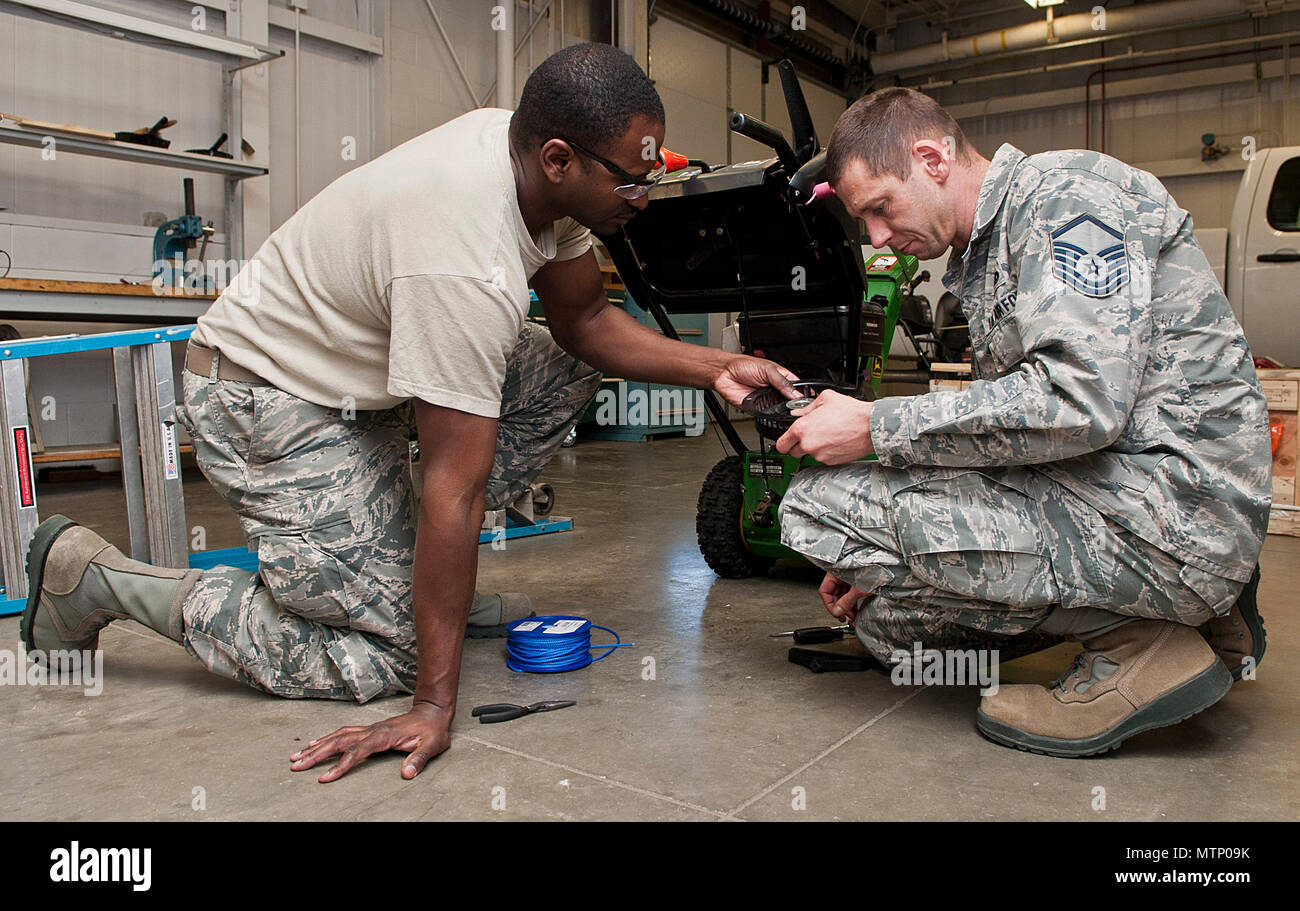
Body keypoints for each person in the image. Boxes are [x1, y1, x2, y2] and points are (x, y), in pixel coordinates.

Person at [20, 43, 796, 782]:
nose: (644, 197)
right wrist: (433, 702)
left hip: (360, 382)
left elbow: (585, 323)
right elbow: (452, 491)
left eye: (650, 173)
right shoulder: (465, 262)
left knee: (561, 371)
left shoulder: (531, 165)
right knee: (387, 657)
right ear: (559, 159)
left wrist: (719, 365)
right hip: (264, 397)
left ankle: (397, 573)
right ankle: (97, 579)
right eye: (632, 180)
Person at [775, 87, 1271, 757]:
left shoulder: (1067, 199)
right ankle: (1196, 616)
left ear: (932, 158)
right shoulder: (990, 249)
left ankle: (1142, 643)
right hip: (1125, 499)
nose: (879, 238)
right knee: (891, 626)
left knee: (814, 507)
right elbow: (1015, 431)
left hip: (1176, 515)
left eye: (881, 209)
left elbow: (1079, 402)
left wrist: (877, 427)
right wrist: (904, 554)